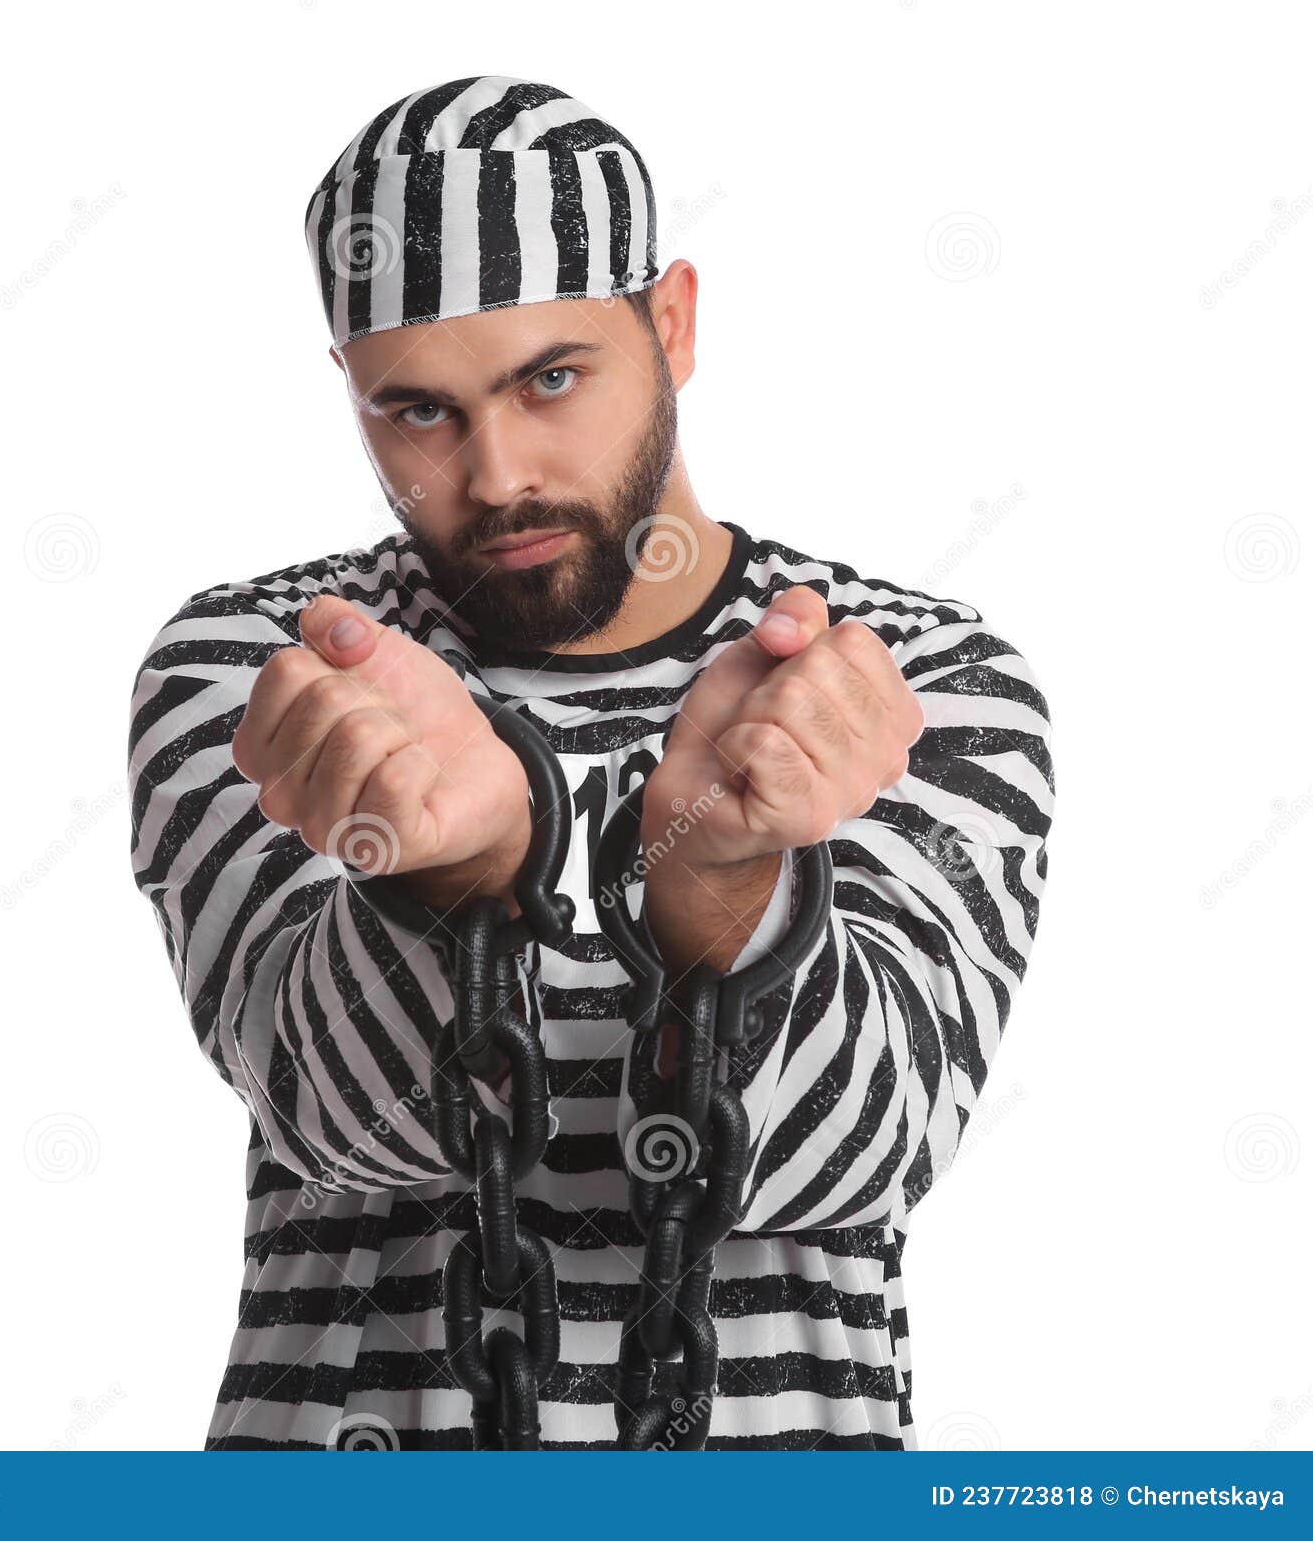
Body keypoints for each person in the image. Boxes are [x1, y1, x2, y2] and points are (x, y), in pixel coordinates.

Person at [125, 74, 1055, 1449]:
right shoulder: (270, 669)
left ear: (670, 323)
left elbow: (856, 1156)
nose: (497, 474)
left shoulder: (905, 681)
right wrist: (452, 871)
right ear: (350, 391)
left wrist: (725, 886)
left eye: (550, 379)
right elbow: (334, 1112)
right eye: (416, 411)